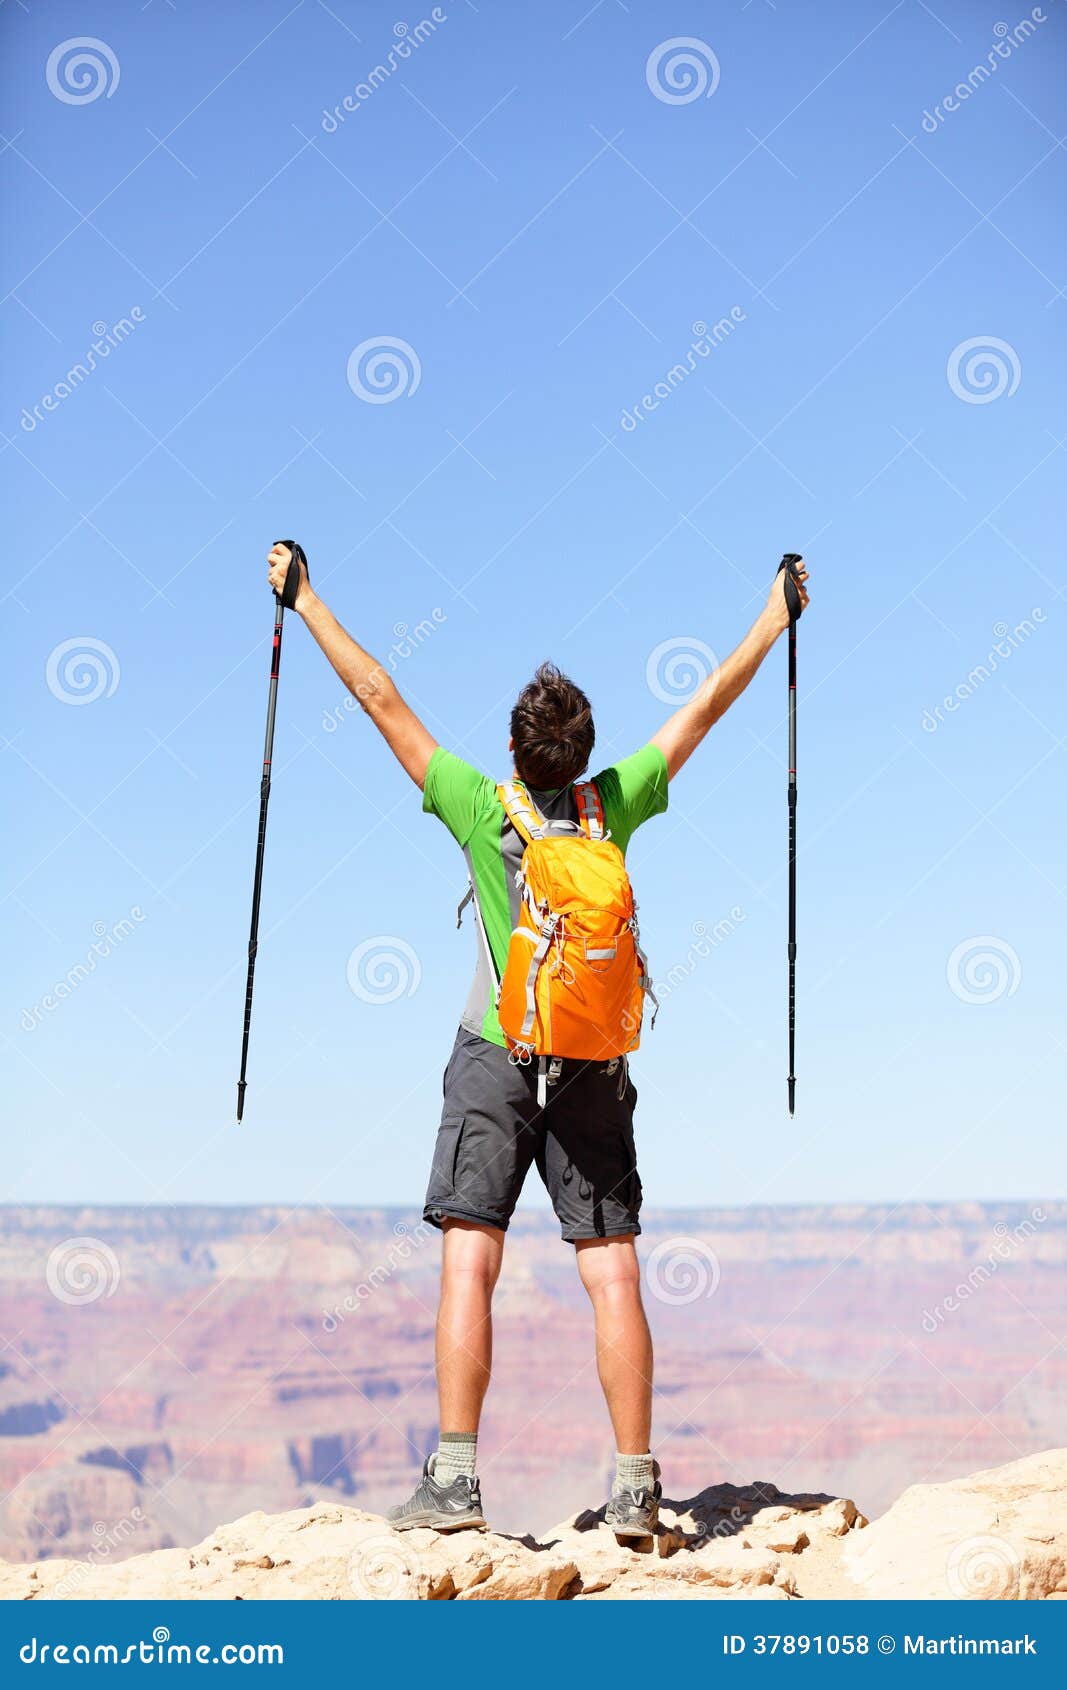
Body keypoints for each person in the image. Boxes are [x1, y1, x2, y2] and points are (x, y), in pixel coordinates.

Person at [266, 542, 810, 1537]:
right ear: (583, 752)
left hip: (494, 1053)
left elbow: (379, 695)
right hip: (594, 1060)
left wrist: (303, 599)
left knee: (469, 1259)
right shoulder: (617, 803)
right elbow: (704, 707)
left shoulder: (482, 806)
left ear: (514, 753)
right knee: (612, 1268)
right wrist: (774, 615)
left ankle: (454, 1482)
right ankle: (636, 1485)